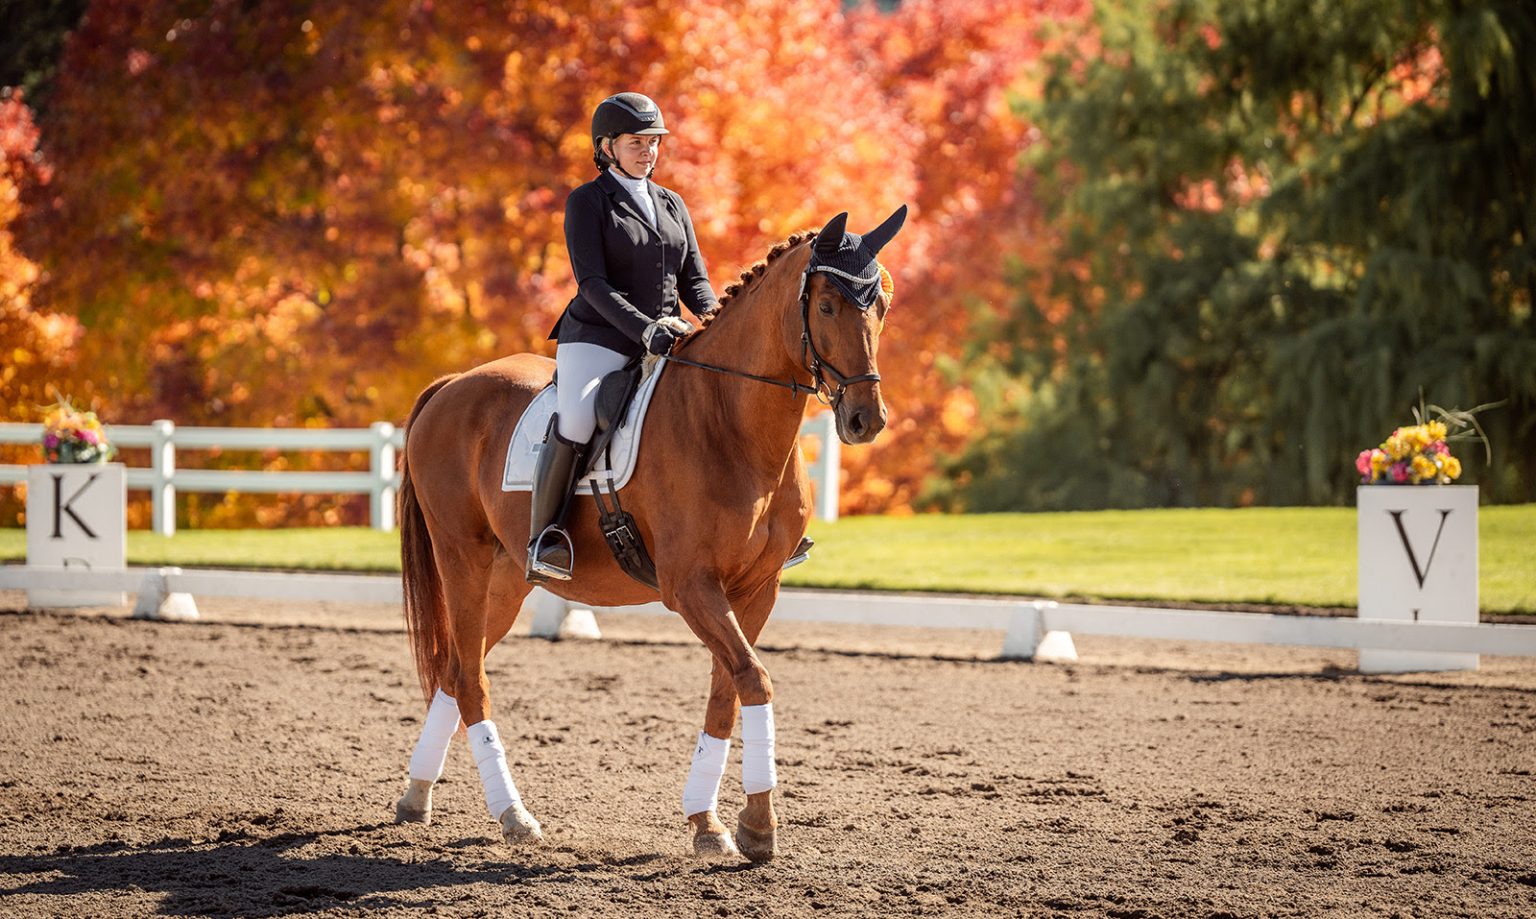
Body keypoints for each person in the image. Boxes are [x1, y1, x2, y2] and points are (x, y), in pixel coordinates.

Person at [528, 92, 720, 582]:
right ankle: (545, 537)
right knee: (575, 417)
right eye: (637, 142)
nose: (649, 151)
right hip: (598, 338)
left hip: (665, 337)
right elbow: (592, 285)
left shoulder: (672, 203)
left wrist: (717, 324)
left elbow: (694, 282)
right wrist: (645, 329)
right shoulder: (588, 202)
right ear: (607, 147)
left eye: (654, 142)